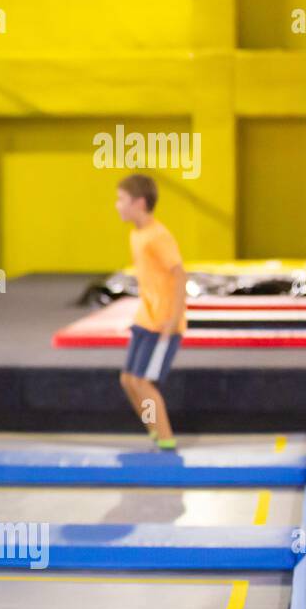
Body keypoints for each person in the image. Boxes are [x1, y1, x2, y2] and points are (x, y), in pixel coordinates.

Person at [115, 174, 188, 451]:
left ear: (140, 203)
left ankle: (167, 441)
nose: (117, 205)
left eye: (122, 199)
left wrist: (173, 318)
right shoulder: (137, 234)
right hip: (145, 319)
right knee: (129, 380)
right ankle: (155, 432)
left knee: (144, 382)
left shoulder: (158, 236)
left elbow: (180, 275)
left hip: (162, 323)